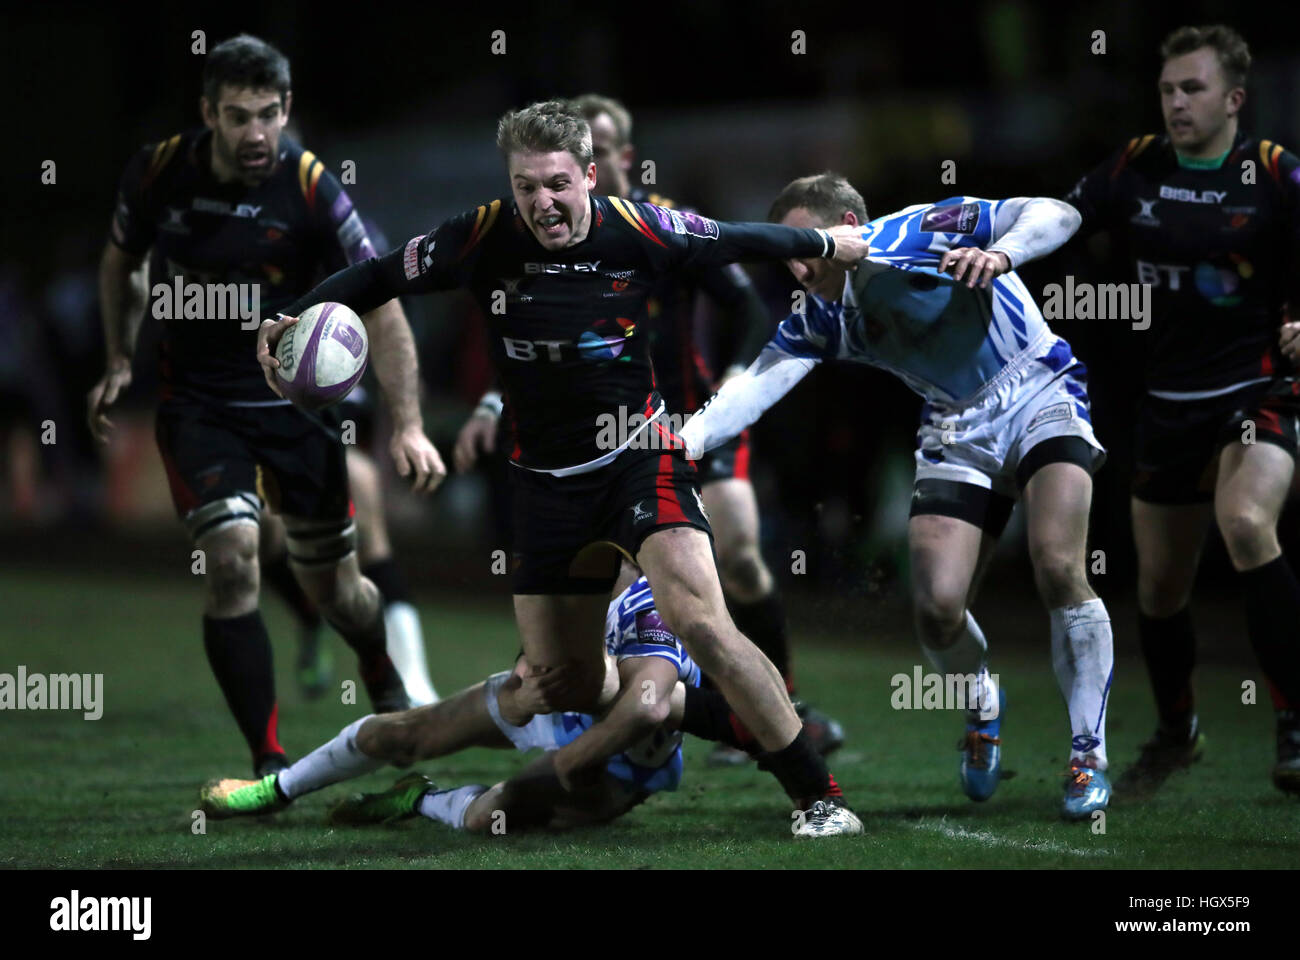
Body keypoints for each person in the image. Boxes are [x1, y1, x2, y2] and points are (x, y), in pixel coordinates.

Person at [258, 101, 871, 836]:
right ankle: (643, 720)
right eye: (526, 186)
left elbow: (740, 239)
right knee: (566, 682)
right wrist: (291, 315)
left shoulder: (642, 227)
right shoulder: (480, 235)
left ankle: (818, 796)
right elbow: (376, 278)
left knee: (702, 623)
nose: (542, 202)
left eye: (556, 184)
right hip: (544, 486)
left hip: (639, 458)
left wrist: (827, 243)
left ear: (588, 175)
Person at [680, 174, 1115, 819]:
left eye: (811, 245)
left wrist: (1001, 253)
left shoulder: (920, 230)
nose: (799, 267)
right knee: (938, 609)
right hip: (954, 426)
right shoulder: (820, 314)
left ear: (851, 226)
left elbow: (1057, 214)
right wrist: (683, 443)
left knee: (1057, 565)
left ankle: (1087, 754)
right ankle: (980, 705)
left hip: (1038, 393)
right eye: (789, 252)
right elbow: (761, 383)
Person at [86, 34, 444, 777]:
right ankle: (268, 760)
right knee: (231, 562)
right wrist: (119, 356)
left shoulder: (312, 186)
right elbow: (122, 259)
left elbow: (383, 305)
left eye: (269, 115)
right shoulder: (158, 172)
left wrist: (408, 423)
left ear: (288, 111)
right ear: (208, 112)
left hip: (296, 413)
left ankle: (379, 669)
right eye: (239, 116)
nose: (257, 134)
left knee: (341, 593)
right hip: (199, 405)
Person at [453, 93, 844, 763]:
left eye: (595, 154)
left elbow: (746, 304)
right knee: (604, 592)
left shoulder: (658, 228)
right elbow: (537, 346)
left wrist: (728, 390)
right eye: (534, 180)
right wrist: (491, 407)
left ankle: (782, 706)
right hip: (602, 442)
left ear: (609, 163)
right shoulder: (532, 241)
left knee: (741, 558)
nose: (552, 189)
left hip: (690, 422)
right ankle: (639, 719)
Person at [1064, 24, 1300, 797]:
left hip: (1256, 387)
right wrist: (995, 247)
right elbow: (1062, 218)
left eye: (1192, 88)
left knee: (1246, 524)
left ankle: (1295, 724)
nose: (1175, 102)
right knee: (1160, 590)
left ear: (1234, 98)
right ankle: (1176, 732)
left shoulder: (1272, 174)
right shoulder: (1135, 166)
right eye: (1167, 88)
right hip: (1168, 402)